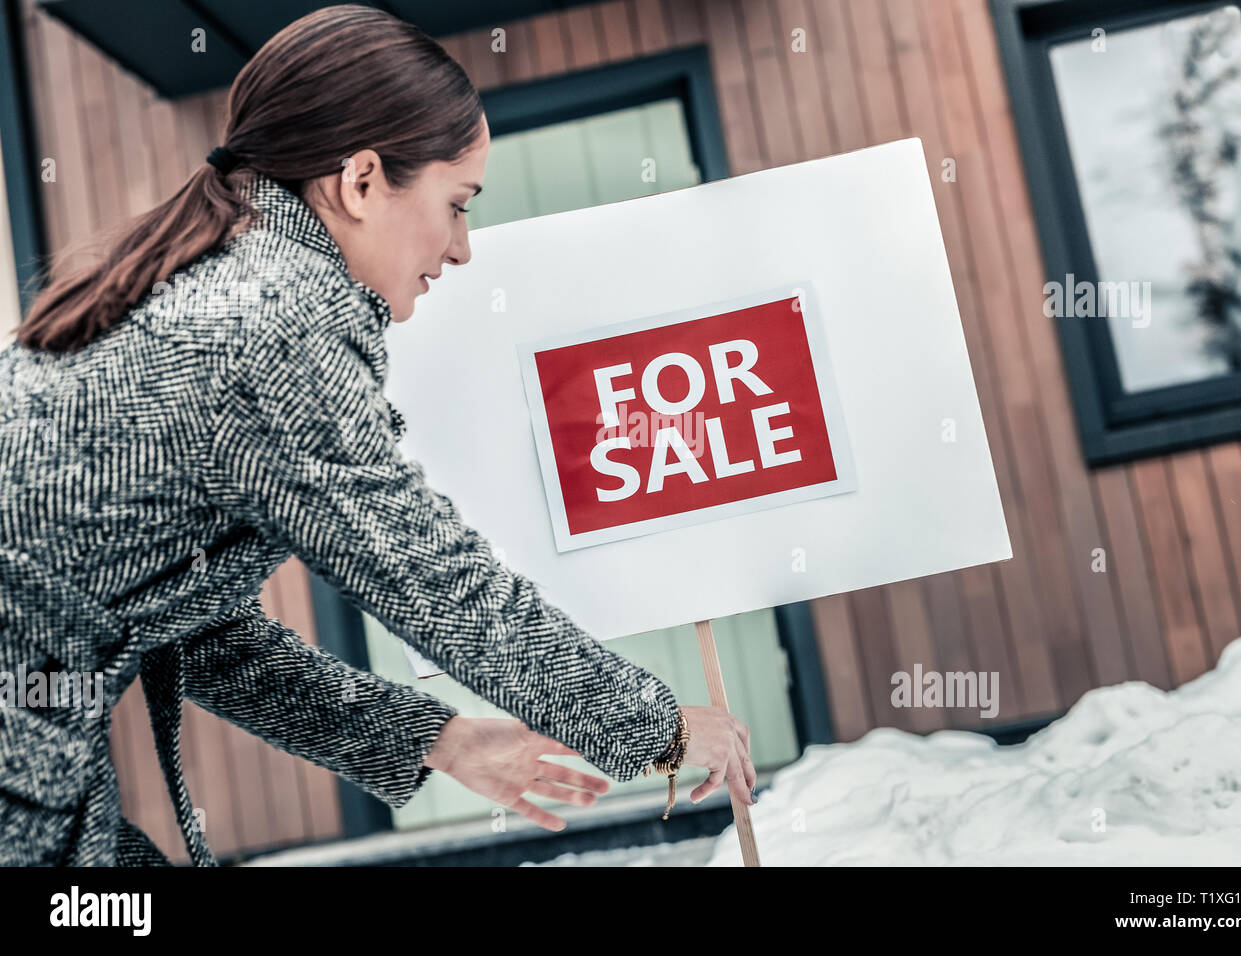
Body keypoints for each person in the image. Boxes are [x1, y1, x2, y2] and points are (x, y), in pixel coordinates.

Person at [0, 3, 754, 867]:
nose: (463, 248)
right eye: (456, 204)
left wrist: (438, 739)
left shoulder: (230, 288)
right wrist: (653, 727)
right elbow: (439, 585)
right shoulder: (273, 323)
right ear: (361, 182)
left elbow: (202, 636)